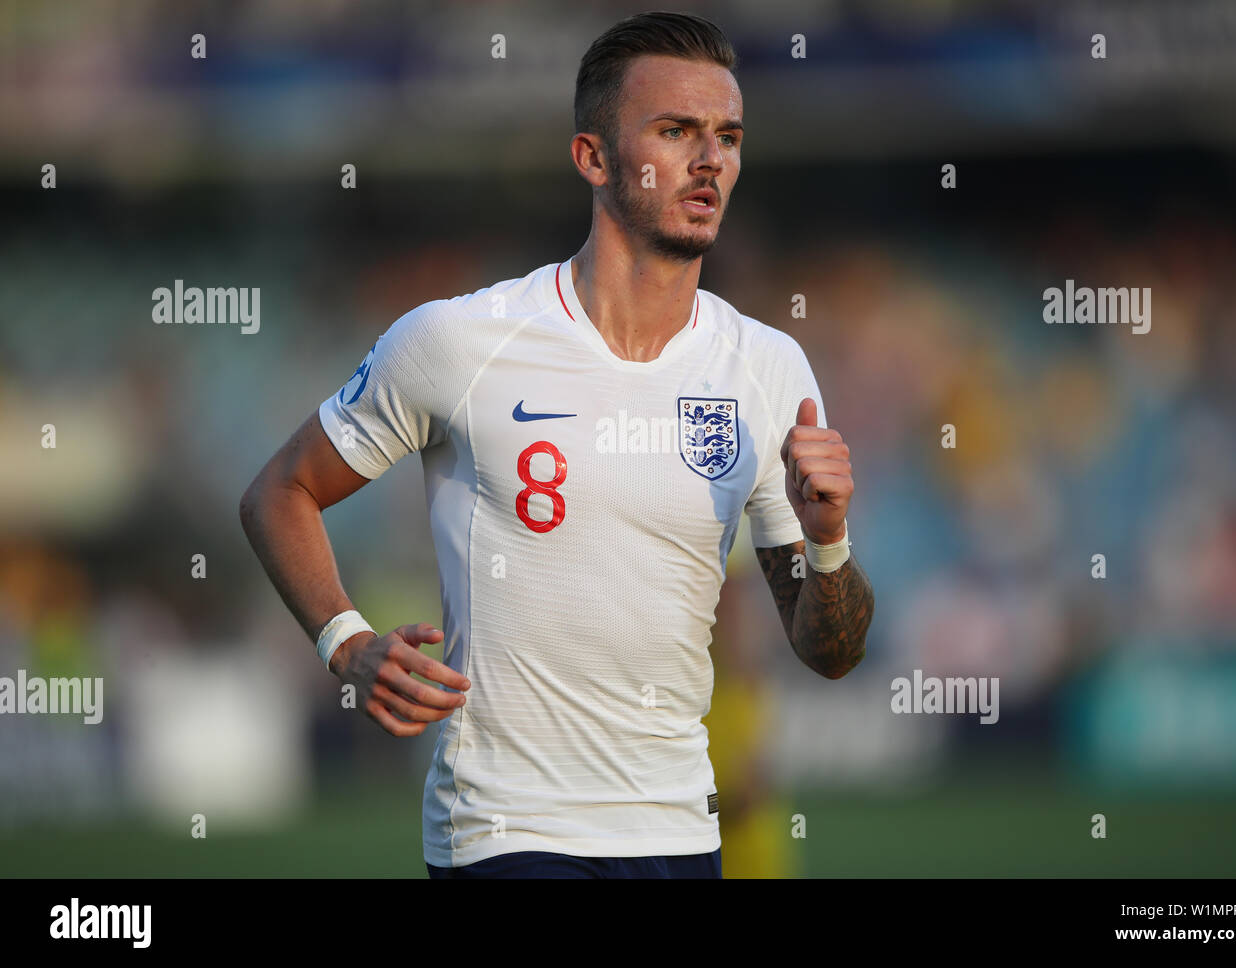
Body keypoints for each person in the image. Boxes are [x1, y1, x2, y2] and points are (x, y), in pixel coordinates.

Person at [239, 11, 873, 880]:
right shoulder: (462, 341)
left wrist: (830, 534)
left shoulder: (766, 366)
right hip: (506, 832)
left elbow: (829, 651)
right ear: (594, 158)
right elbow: (280, 491)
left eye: (726, 136)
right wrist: (346, 643)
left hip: (678, 834)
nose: (709, 160)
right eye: (675, 131)